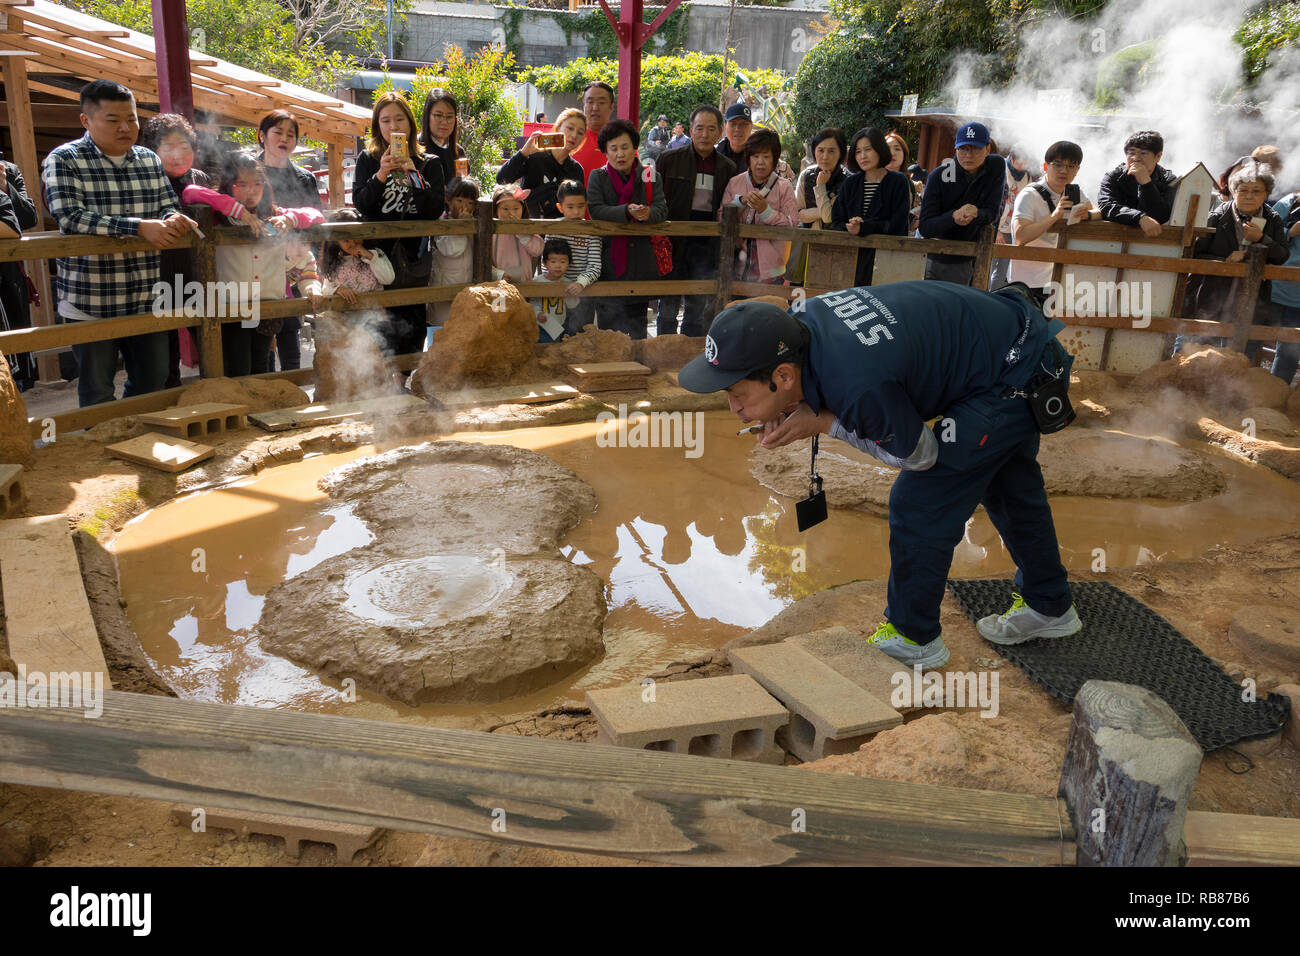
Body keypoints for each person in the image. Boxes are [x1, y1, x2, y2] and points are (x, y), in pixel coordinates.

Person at [675, 282, 1082, 668]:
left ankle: (913, 640)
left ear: (782, 376)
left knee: (920, 501)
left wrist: (824, 423)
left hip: (1014, 372)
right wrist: (806, 410)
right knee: (1009, 485)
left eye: (737, 394)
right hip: (1016, 341)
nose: (733, 408)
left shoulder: (857, 382)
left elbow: (920, 455)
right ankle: (1049, 604)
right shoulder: (799, 325)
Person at [42, 80, 197, 407]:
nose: (126, 127)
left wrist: (173, 218)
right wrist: (139, 227)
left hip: (144, 293)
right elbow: (69, 216)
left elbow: (167, 203)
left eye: (132, 118)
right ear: (86, 121)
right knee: (97, 388)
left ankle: (133, 437)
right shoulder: (65, 159)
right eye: (113, 120)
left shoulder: (148, 160)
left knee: (152, 380)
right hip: (90, 299)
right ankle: (100, 449)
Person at [181, 153, 325, 376]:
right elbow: (190, 193)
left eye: (258, 184)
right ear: (229, 185)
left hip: (268, 306)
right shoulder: (221, 217)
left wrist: (290, 219)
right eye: (243, 184)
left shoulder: (273, 215)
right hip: (233, 306)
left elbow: (315, 214)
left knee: (260, 366)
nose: (252, 190)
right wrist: (237, 210)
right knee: (238, 368)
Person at [351, 91, 447, 356]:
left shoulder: (429, 163)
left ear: (411, 123)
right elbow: (361, 204)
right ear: (377, 126)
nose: (393, 127)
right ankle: (383, 382)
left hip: (413, 256)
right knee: (378, 324)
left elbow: (433, 209)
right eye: (385, 121)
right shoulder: (368, 160)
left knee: (413, 321)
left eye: (399, 119)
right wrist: (381, 174)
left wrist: (413, 173)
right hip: (375, 256)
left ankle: (406, 381)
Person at [1178, 160, 1289, 356]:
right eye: (1243, 190)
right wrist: (1225, 260)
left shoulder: (1272, 219)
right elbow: (1195, 253)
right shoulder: (1217, 216)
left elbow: (1281, 256)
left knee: (1242, 351)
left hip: (1252, 295)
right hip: (1212, 292)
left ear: (1266, 194)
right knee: (1203, 348)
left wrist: (1262, 238)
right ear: (1233, 190)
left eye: (1256, 191)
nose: (1249, 196)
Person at [141, 113, 210, 387]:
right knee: (162, 356)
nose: (177, 154)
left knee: (210, 343)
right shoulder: (145, 180)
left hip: (198, 276)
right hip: (157, 277)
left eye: (184, 146)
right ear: (152, 151)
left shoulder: (199, 179)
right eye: (167, 147)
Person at [655, 104, 736, 335]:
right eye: (699, 128)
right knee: (668, 304)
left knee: (697, 305)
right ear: (690, 129)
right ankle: (663, 351)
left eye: (711, 129)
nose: (704, 134)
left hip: (706, 243)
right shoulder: (669, 159)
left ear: (720, 132)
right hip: (673, 242)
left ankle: (688, 355)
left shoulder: (727, 167)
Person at [586, 117, 667, 339]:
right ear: (605, 151)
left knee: (637, 326)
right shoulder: (598, 177)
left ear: (634, 148)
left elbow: (661, 209)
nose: (620, 154)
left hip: (641, 264)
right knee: (608, 330)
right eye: (613, 148)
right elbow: (596, 210)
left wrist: (648, 214)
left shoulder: (650, 176)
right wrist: (626, 211)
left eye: (625, 147)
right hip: (608, 265)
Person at [255, 110, 320, 372]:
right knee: (260, 338)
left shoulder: (304, 178)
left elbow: (316, 220)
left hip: (293, 265)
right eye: (277, 132)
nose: (284, 138)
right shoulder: (249, 173)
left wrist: (310, 263)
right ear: (262, 136)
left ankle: (294, 397)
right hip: (256, 266)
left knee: (290, 331)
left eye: (290, 134)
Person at [1009, 141, 1097, 304]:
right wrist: (1055, 216)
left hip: (1059, 279)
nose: (1064, 171)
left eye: (1071, 166)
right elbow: (1021, 236)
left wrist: (1088, 215)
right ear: (1045, 166)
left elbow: (1097, 211)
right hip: (1026, 283)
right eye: (1058, 165)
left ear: (1077, 170)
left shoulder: (1073, 193)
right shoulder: (1029, 195)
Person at [918, 121, 1006, 285]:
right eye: (963, 148)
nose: (968, 155)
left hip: (977, 256)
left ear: (987, 149)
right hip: (938, 258)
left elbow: (992, 212)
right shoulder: (939, 176)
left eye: (975, 148)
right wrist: (953, 217)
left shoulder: (996, 166)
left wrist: (976, 213)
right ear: (956, 149)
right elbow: (925, 227)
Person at [830, 126, 910, 286]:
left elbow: (898, 226)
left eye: (868, 149)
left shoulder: (898, 181)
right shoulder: (850, 183)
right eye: (858, 151)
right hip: (851, 259)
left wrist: (865, 227)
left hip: (886, 260)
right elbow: (837, 220)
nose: (862, 156)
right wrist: (850, 227)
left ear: (879, 149)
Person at [722, 128, 798, 284]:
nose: (760, 162)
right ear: (748, 158)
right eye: (755, 156)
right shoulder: (735, 182)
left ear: (775, 159)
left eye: (766, 156)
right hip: (737, 267)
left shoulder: (784, 187)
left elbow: (793, 224)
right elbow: (720, 217)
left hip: (771, 271)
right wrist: (740, 201)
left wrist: (766, 211)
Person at [319, 208, 397, 356]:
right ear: (336, 241)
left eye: (356, 237)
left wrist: (369, 256)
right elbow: (325, 288)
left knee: (377, 361)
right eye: (346, 240)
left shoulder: (375, 255)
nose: (353, 243)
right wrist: (337, 290)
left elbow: (388, 279)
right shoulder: (335, 262)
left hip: (374, 321)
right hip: (347, 324)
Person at [495, 107, 585, 219]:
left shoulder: (576, 169)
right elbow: (502, 179)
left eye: (580, 133)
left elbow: (575, 209)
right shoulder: (535, 156)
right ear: (557, 128)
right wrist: (524, 153)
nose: (574, 135)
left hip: (556, 233)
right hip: (528, 231)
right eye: (570, 128)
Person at [0, 151, 41, 391]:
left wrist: (5, 186)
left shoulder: (9, 169)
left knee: (14, 357)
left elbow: (27, 218)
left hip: (8, 274)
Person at [787, 127, 847, 285]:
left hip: (834, 245)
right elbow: (796, 213)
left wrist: (820, 187)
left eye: (832, 151)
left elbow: (829, 218)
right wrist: (825, 210)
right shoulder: (807, 175)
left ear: (840, 153)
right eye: (820, 150)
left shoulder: (848, 180)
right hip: (805, 243)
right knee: (798, 293)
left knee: (826, 292)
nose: (825, 156)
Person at [1096, 130, 1178, 237]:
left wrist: (1146, 184)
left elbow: (1162, 216)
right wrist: (1139, 217)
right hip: (1114, 237)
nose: (1136, 158)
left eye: (1143, 153)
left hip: (1155, 242)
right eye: (1131, 153)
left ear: (1158, 156)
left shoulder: (1168, 180)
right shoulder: (1114, 177)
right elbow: (1106, 206)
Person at [546, 179, 602, 335]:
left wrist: (580, 283)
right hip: (557, 292)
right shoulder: (553, 229)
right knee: (554, 335)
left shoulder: (591, 231)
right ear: (560, 207)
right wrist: (554, 282)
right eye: (570, 207)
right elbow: (546, 262)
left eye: (580, 206)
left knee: (580, 335)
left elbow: (595, 266)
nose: (576, 212)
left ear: (586, 205)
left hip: (583, 293)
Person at [431, 176, 479, 337]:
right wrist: (461, 227)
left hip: (467, 288)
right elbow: (452, 250)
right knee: (442, 332)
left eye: (470, 203)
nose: (464, 206)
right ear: (448, 200)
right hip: (445, 288)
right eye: (459, 200)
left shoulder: (476, 223)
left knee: (464, 333)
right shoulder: (441, 222)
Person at [989, 145, 1034, 290]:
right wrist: (996, 230)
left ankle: (995, 298)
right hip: (994, 228)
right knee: (987, 266)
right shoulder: (999, 169)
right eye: (1019, 163)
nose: (1022, 167)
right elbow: (990, 201)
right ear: (1011, 159)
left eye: (1025, 164)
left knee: (1002, 271)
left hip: (1012, 229)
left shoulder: (1027, 177)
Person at [1267, 188, 1300, 383]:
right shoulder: (1288, 203)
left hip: (1298, 298)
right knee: (1250, 340)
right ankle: (1240, 395)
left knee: (1289, 352)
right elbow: (1266, 236)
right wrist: (1291, 231)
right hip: (1272, 288)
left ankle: (1275, 396)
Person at [491, 184, 544, 283]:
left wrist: (523, 234)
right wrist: (498, 274)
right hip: (499, 283)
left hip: (524, 282)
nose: (511, 213)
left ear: (523, 209)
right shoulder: (491, 233)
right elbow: (484, 260)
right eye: (505, 209)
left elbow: (537, 250)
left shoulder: (528, 229)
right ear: (496, 210)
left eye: (516, 209)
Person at [571, 81, 616, 185]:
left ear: (611, 107)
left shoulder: (621, 140)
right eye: (590, 102)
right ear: (584, 105)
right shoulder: (570, 138)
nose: (595, 108)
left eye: (601, 102)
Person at [419, 89, 467, 187]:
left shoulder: (458, 152)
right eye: (438, 115)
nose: (444, 122)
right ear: (427, 116)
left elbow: (463, 188)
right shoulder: (415, 148)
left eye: (449, 117)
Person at [533, 238, 572, 343]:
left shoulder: (568, 283)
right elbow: (532, 303)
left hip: (559, 326)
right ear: (545, 263)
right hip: (542, 325)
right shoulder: (537, 282)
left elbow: (573, 305)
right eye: (553, 261)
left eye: (563, 261)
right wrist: (537, 314)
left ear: (569, 263)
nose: (558, 265)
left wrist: (567, 291)